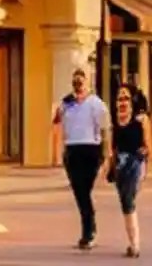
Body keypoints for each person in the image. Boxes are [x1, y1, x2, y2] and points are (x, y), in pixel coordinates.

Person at [52, 66, 110, 250]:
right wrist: (61, 105)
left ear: (87, 83)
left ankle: (89, 229)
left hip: (91, 149)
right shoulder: (67, 103)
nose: (78, 86)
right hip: (72, 149)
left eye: (81, 82)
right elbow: (55, 120)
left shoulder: (96, 104)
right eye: (75, 83)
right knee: (79, 190)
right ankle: (89, 229)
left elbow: (105, 128)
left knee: (84, 190)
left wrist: (106, 153)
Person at [109, 83, 151, 258]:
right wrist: (110, 166)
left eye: (126, 97)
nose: (123, 101)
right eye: (120, 98)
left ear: (132, 100)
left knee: (129, 199)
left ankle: (135, 245)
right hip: (120, 165)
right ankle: (132, 242)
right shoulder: (116, 121)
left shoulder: (141, 120)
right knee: (125, 203)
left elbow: (148, 146)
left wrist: (146, 161)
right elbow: (112, 147)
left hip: (135, 162)